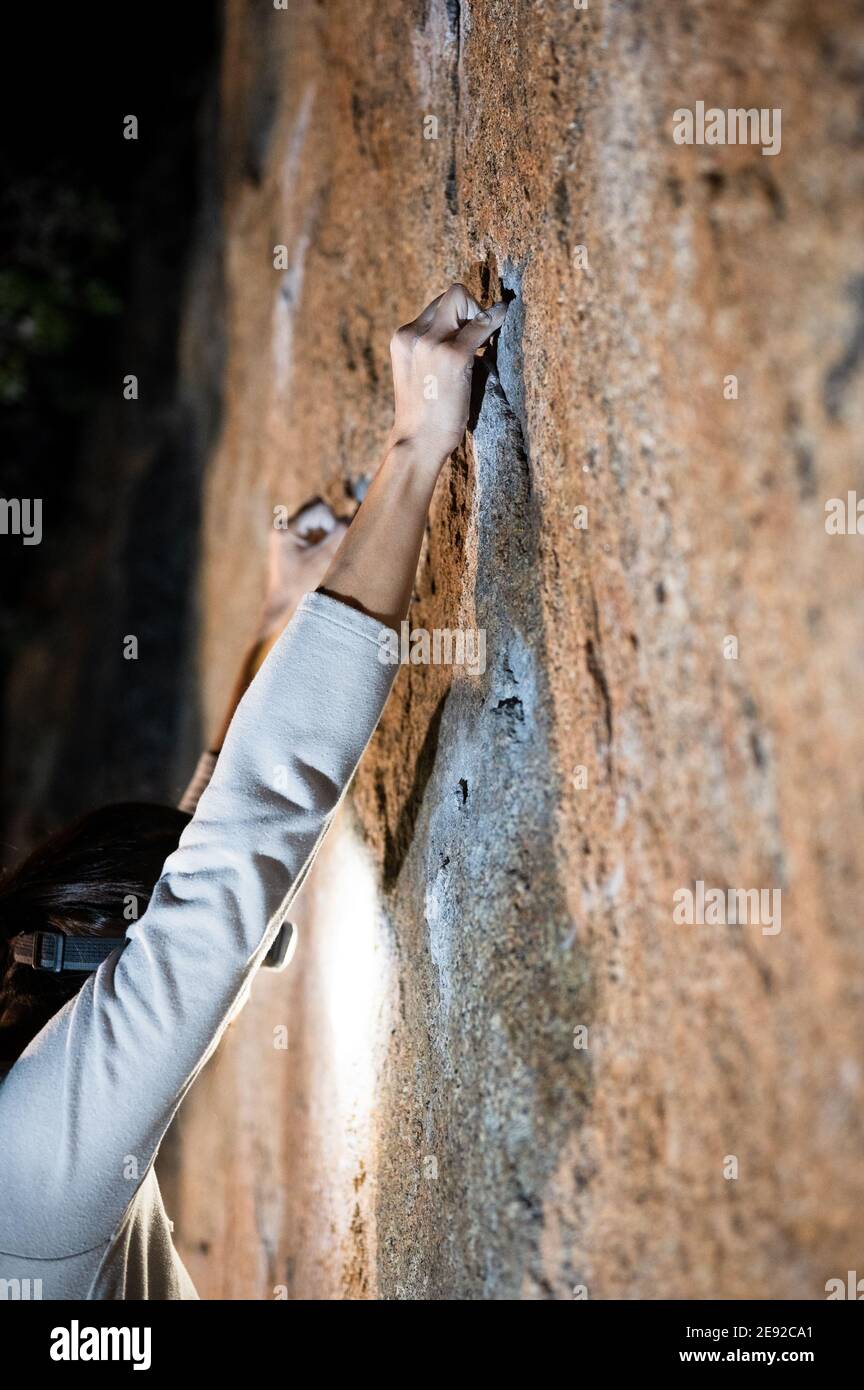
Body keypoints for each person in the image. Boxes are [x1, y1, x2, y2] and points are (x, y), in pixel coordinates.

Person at [0, 285, 508, 1299]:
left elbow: (191, 876)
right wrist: (413, 454)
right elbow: (222, 876)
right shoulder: (21, 1180)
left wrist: (284, 618)